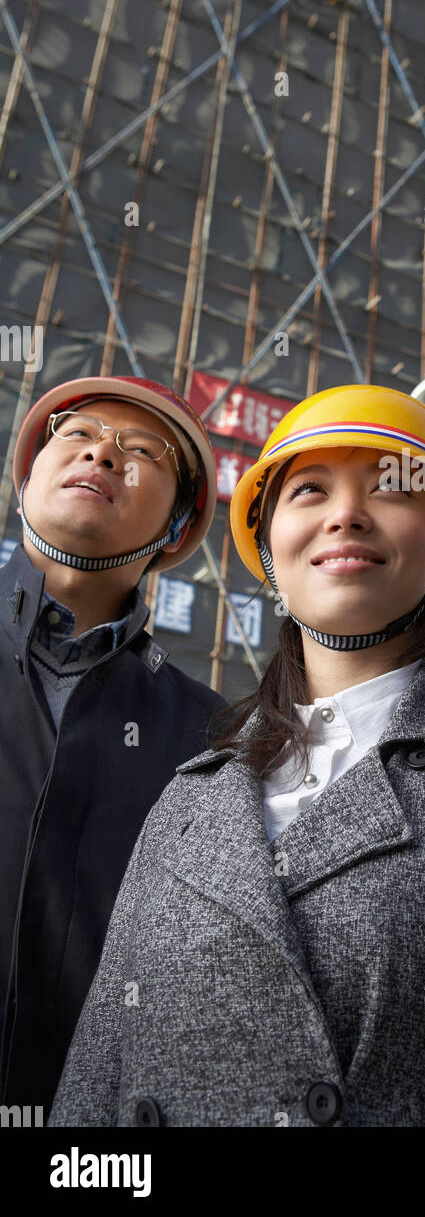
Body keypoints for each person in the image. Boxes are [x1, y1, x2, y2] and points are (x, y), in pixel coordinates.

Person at [49, 384, 425, 1128]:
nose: (345, 514)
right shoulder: (186, 799)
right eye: (310, 490)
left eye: (392, 488)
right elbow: (93, 1088)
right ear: (268, 547)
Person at [0, 375, 225, 1115]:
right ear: (27, 471)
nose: (100, 455)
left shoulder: (214, 742)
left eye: (141, 452)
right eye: (78, 434)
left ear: (177, 526)